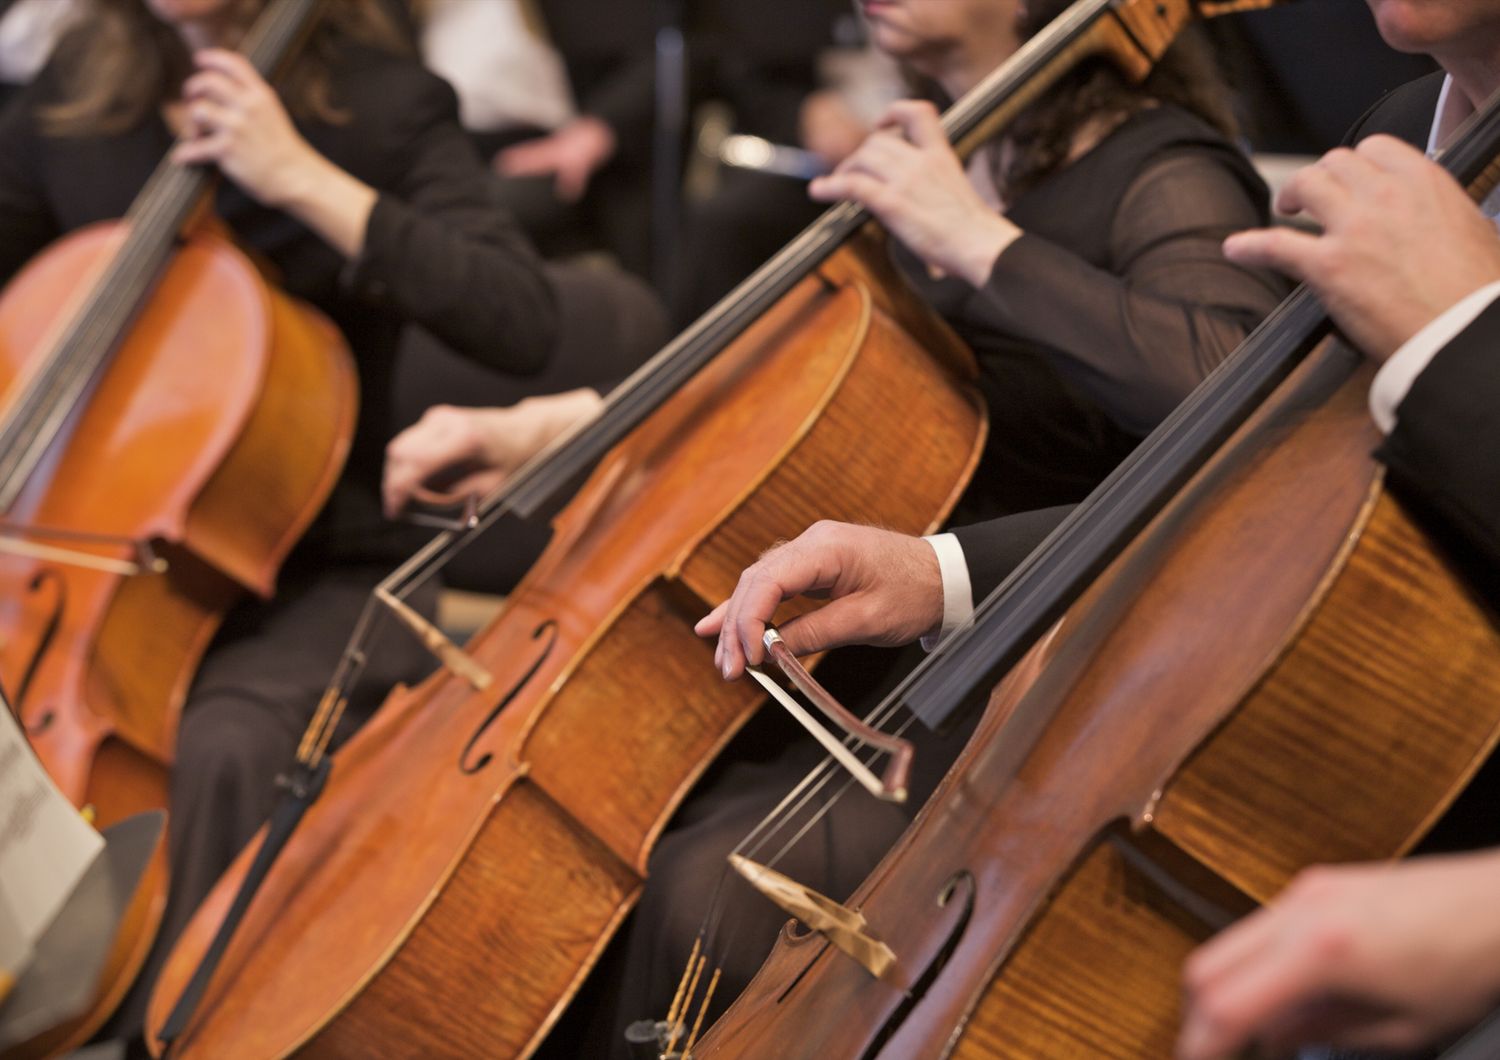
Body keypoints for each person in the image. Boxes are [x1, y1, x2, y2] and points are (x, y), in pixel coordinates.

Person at [707, 3, 1500, 1057]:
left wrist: (1457, 338)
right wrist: (942, 573)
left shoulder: (1194, 166)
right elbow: (1263, 492)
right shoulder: (1402, 132)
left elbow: (1213, 377)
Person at [0, 0, 560, 1041]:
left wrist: (298, 176)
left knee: (228, 746)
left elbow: (518, 318)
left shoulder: (381, 105)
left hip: (315, 573)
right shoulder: (76, 95)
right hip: (77, 562)